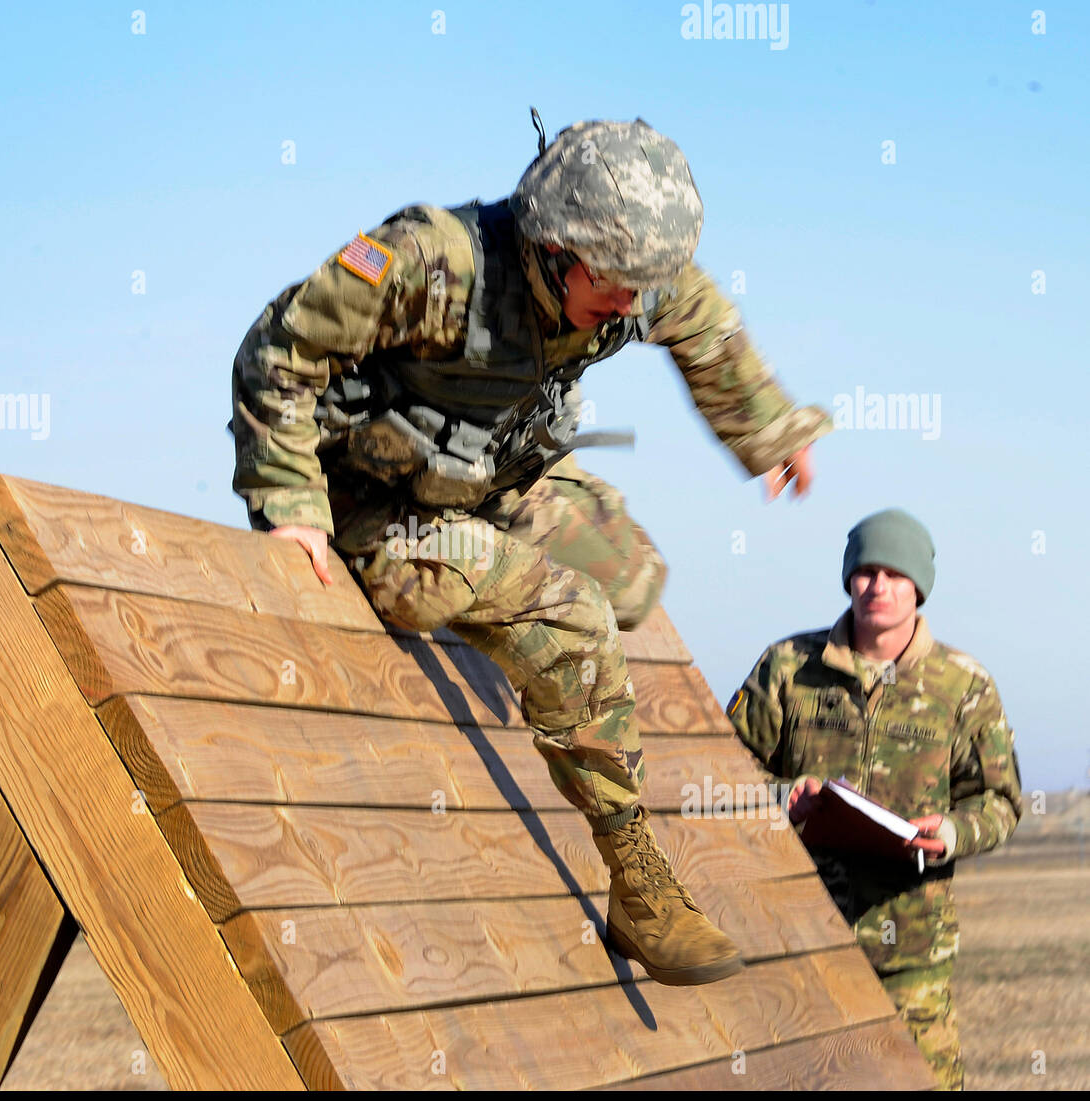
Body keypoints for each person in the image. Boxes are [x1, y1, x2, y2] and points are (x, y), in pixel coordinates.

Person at [229, 111, 833, 986]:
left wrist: (768, 426)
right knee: (576, 619)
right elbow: (279, 349)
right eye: (614, 285)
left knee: (632, 576)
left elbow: (697, 313)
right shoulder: (425, 261)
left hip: (486, 480)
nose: (628, 305)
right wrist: (291, 506)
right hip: (374, 505)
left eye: (639, 287)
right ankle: (640, 886)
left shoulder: (628, 271)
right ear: (554, 248)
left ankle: (524, 639)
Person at [725, 509, 1022, 1085]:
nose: (877, 586)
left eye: (894, 573)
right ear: (847, 580)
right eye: (864, 571)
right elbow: (719, 773)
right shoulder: (788, 667)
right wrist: (781, 798)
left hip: (910, 945)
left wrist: (954, 833)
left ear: (919, 588)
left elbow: (1001, 801)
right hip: (798, 936)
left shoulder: (963, 684)